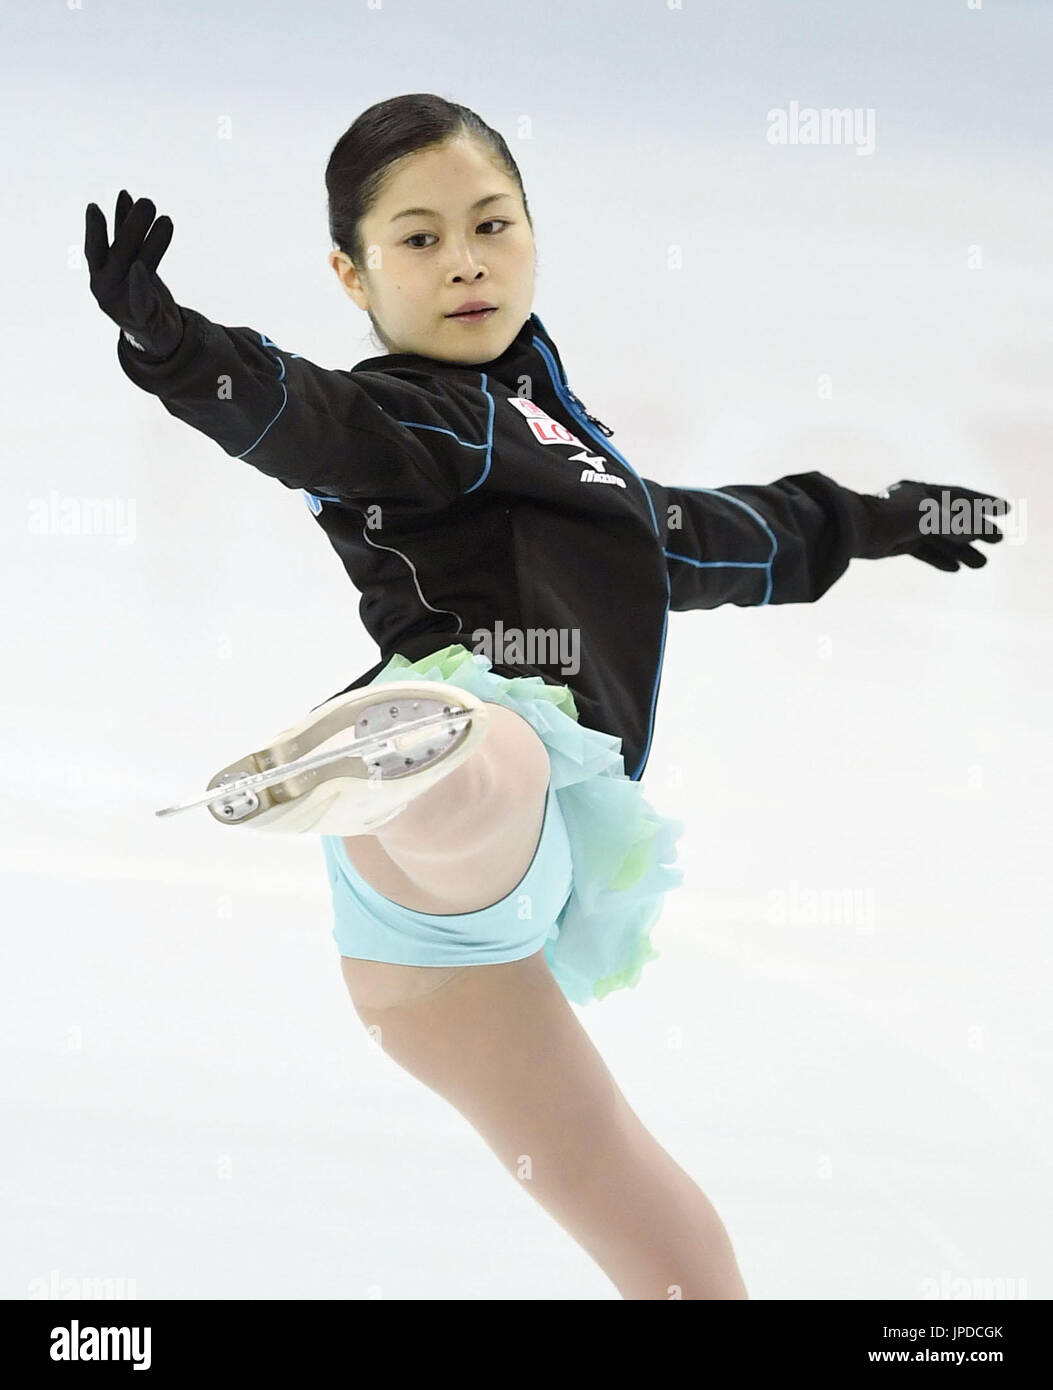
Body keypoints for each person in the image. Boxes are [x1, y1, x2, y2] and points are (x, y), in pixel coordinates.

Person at [84, 93, 1007, 1300]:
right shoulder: (411, 422)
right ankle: (400, 750)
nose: (464, 259)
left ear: (531, 232)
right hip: (475, 818)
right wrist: (175, 350)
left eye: (490, 223)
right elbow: (298, 414)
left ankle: (387, 760)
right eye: (417, 239)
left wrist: (879, 519)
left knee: (675, 1251)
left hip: (444, 961)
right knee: (498, 749)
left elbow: (711, 539)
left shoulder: (568, 446)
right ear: (353, 276)